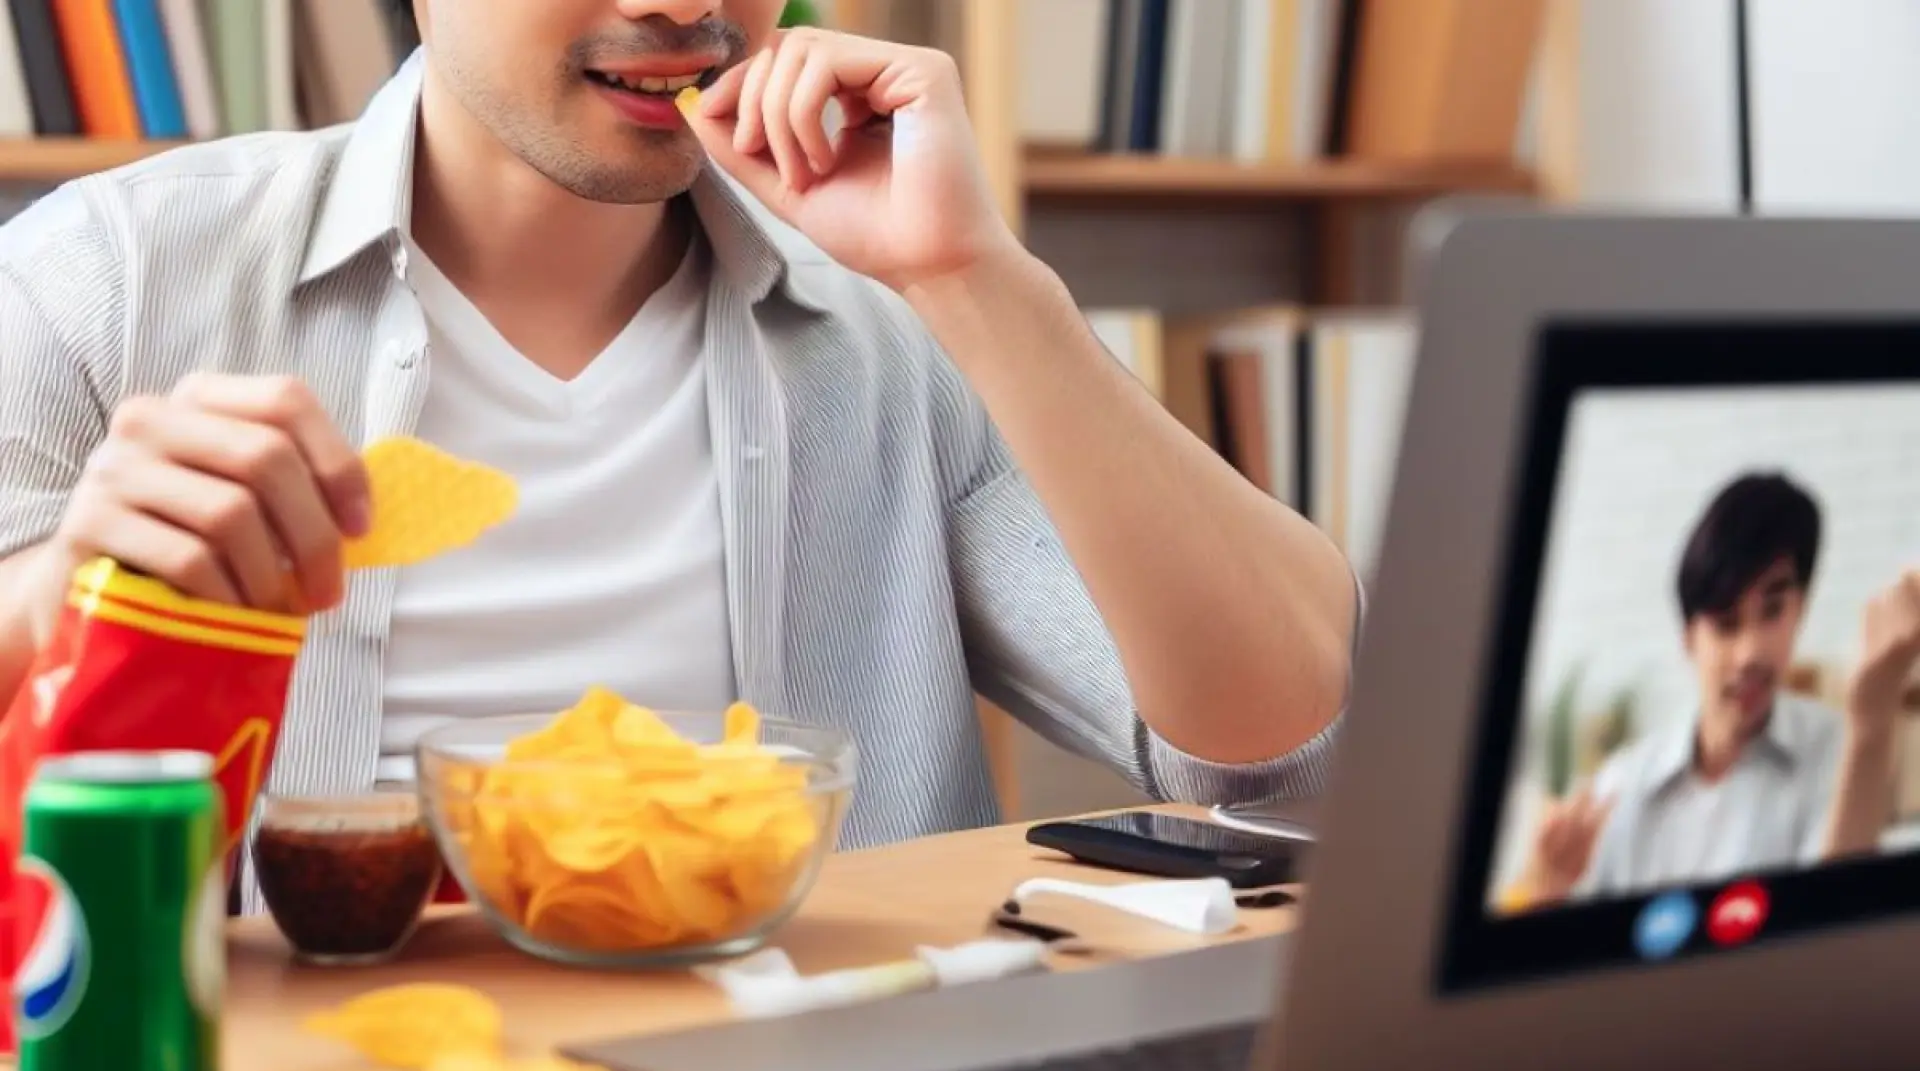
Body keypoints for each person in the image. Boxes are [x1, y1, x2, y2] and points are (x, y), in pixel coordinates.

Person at [0, 1, 1360, 908]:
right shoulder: (108, 281)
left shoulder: (899, 316)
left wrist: (979, 278)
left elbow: (1283, 748)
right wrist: (68, 591)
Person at [1518, 472, 1846, 902]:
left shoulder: (1840, 752)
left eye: (1772, 611)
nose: (1750, 654)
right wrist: (1549, 894)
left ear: (1799, 611)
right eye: (1726, 625)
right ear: (1689, 640)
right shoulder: (1621, 787)